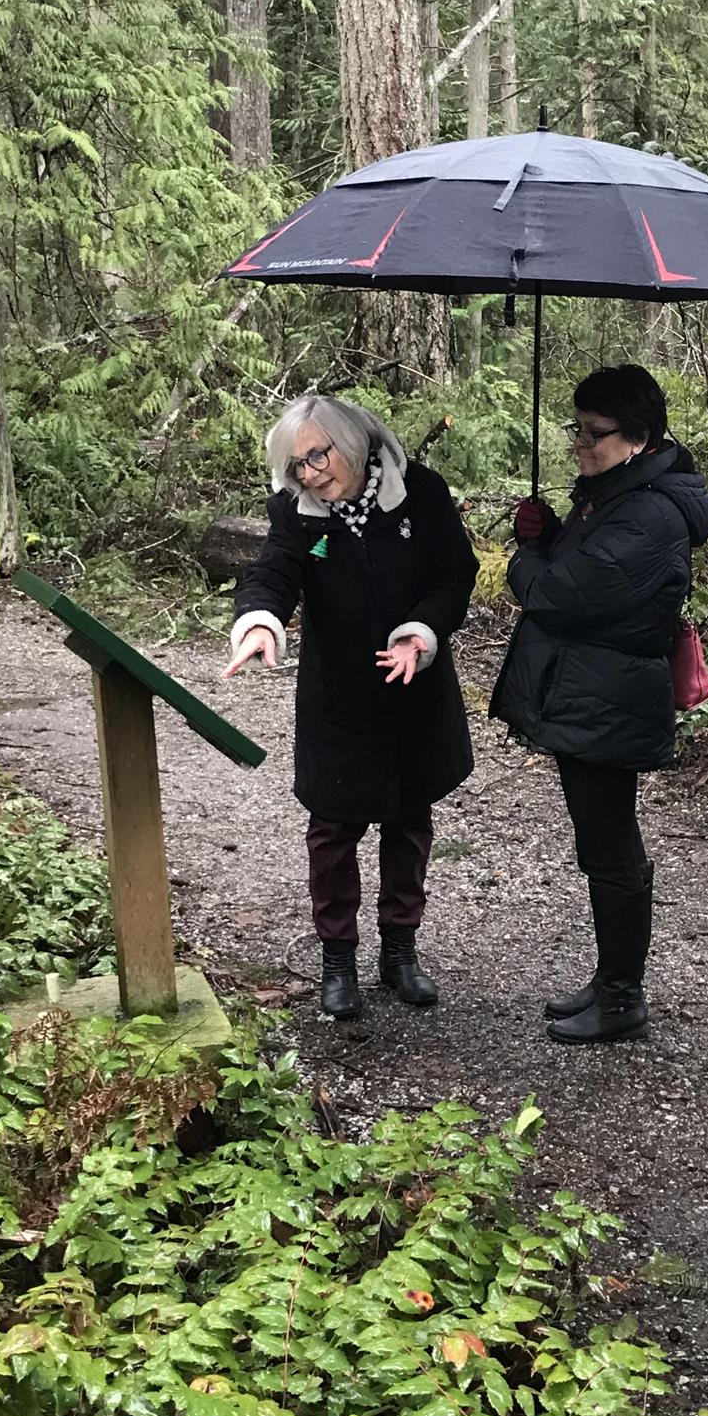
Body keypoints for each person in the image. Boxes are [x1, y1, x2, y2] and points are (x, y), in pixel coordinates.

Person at [226, 394, 479, 1020]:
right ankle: (337, 959)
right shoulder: (298, 513)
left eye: (318, 456)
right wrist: (259, 621)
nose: (309, 474)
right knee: (333, 831)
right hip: (337, 696)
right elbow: (274, 571)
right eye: (297, 464)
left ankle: (400, 952)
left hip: (413, 688)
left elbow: (454, 575)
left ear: (353, 443)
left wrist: (421, 633)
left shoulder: (420, 492)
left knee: (409, 822)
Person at [490, 364, 708, 1045]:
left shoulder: (649, 514)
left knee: (612, 847)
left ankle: (622, 996)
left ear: (639, 438)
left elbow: (558, 594)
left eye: (594, 433)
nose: (579, 445)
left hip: (610, 696)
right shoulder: (615, 494)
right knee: (601, 843)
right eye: (577, 429)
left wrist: (527, 557)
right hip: (591, 689)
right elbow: (574, 571)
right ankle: (612, 980)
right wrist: (548, 534)